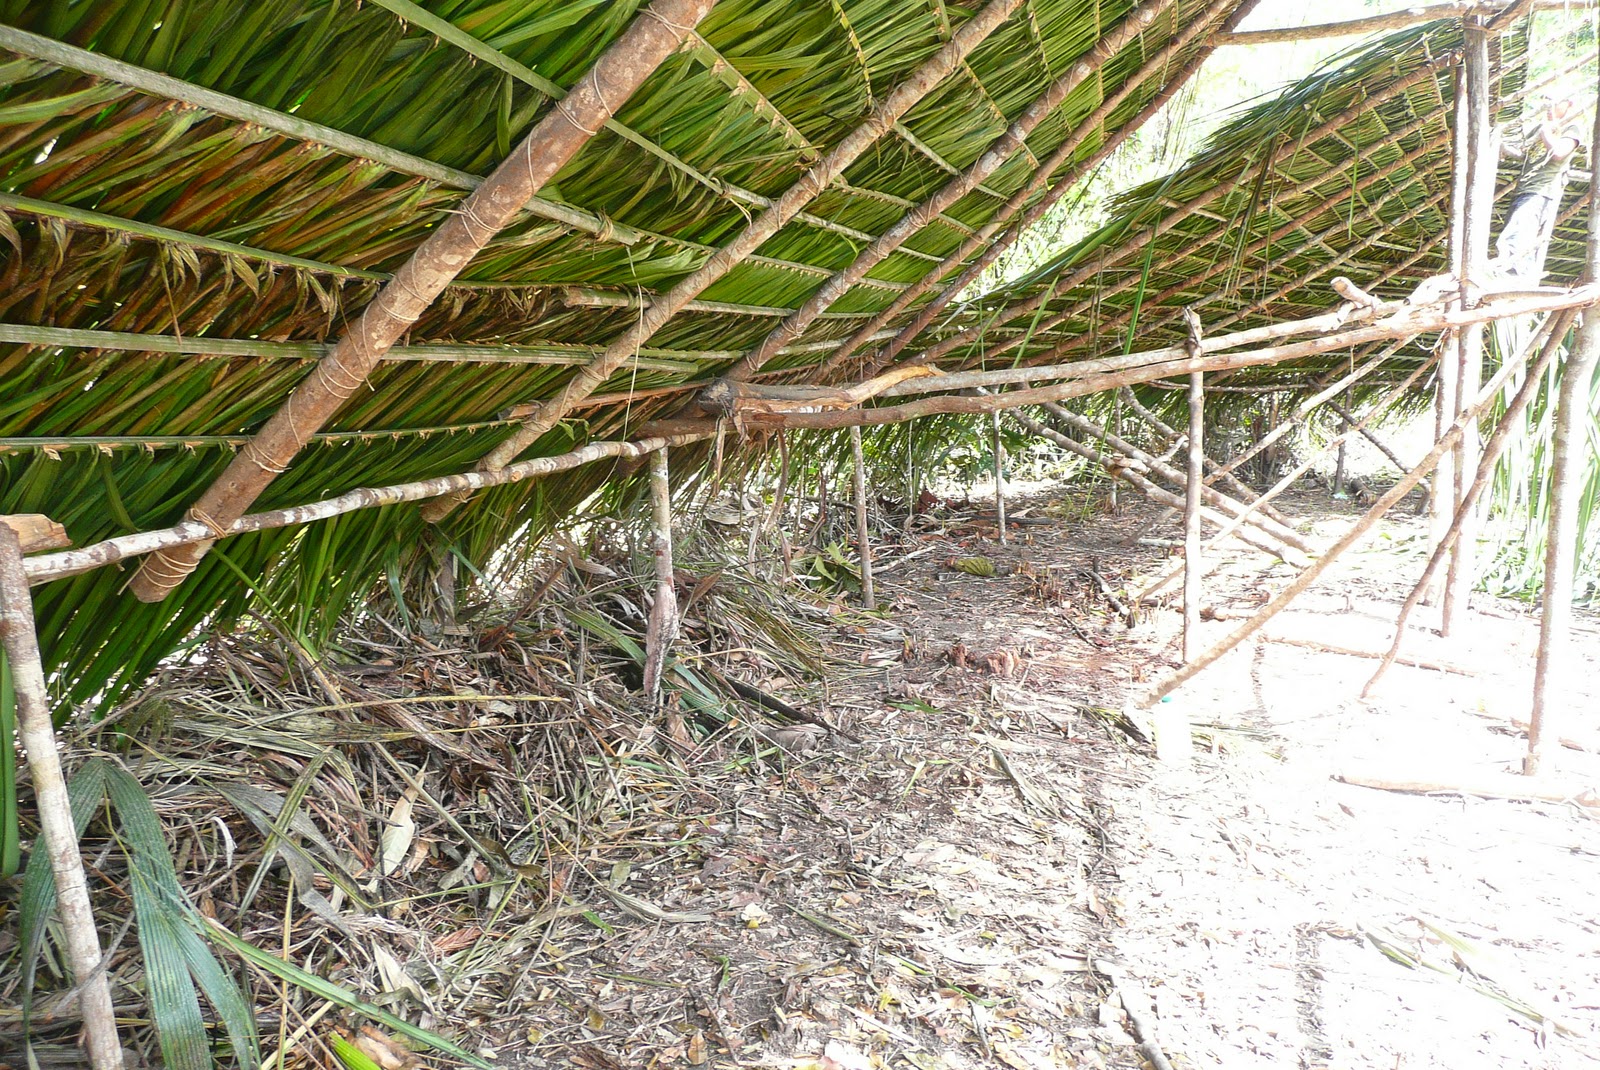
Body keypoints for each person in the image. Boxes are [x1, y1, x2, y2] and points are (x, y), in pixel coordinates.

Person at [1493, 98, 1585, 282]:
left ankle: (1513, 278)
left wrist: (1545, 131)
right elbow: (1524, 154)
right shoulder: (1539, 128)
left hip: (1541, 191)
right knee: (1516, 233)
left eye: (1556, 101)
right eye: (1547, 100)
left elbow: (1558, 153)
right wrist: (1501, 146)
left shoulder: (1571, 128)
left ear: (1569, 104)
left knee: (1517, 237)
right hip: (1524, 189)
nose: (1550, 105)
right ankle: (1513, 277)